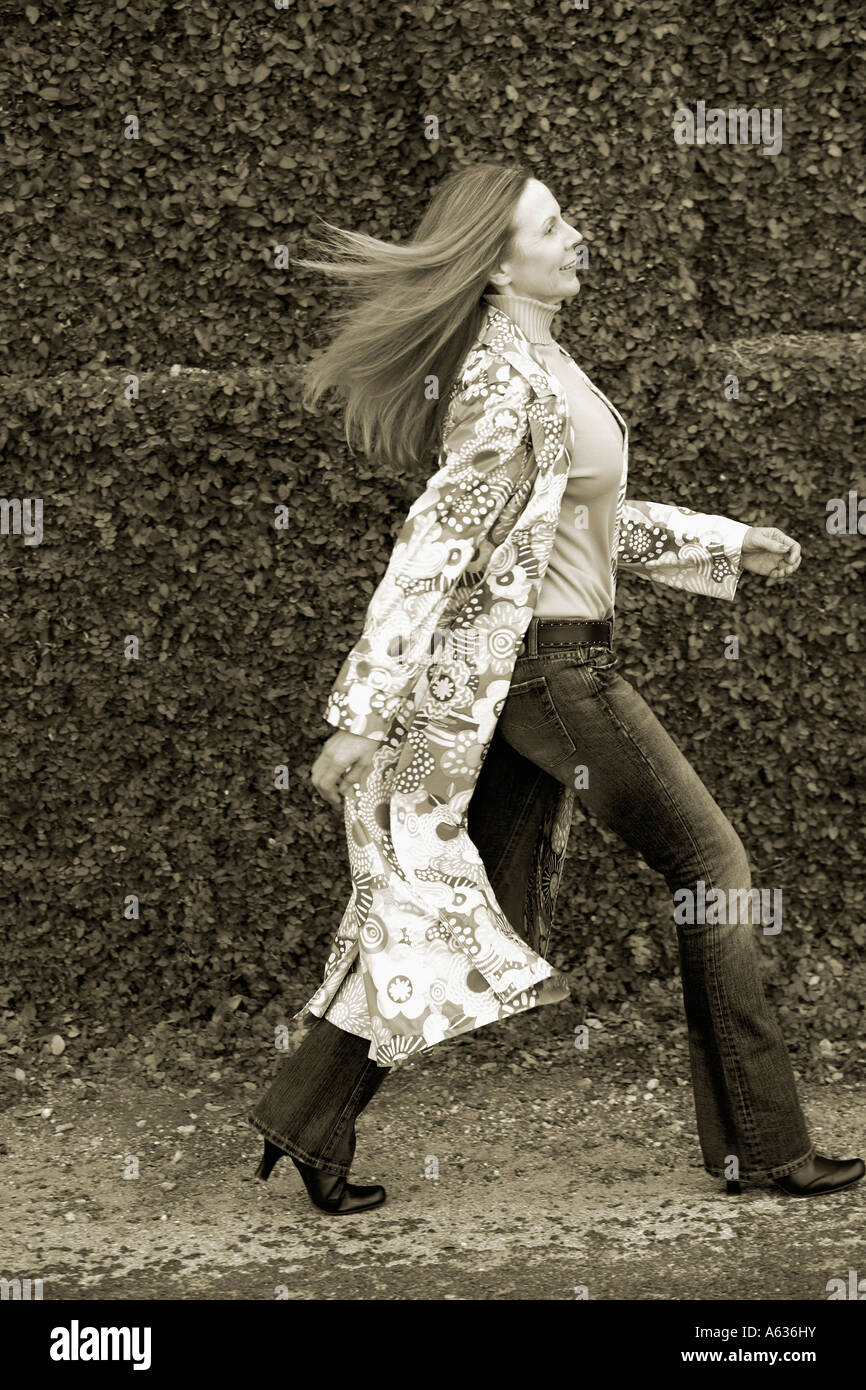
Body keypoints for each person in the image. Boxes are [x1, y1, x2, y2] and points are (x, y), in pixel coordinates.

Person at [248, 161, 863, 1214]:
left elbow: (567, 523)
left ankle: (308, 1120)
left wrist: (722, 543)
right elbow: (433, 545)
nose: (578, 235)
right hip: (550, 665)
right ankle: (762, 1147)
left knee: (459, 905)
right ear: (496, 265)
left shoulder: (545, 365)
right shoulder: (497, 383)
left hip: (544, 659)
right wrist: (360, 712)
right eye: (553, 224)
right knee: (712, 860)